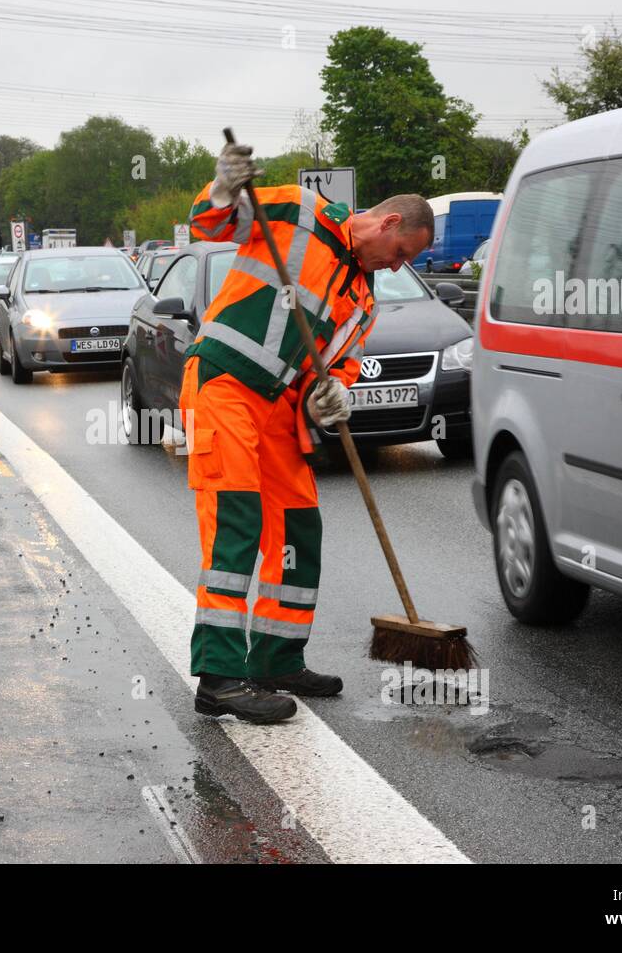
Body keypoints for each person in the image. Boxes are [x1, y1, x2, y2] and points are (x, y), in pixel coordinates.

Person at [180, 142, 434, 724]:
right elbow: (211, 221)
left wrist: (334, 396)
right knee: (236, 524)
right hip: (224, 386)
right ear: (388, 222)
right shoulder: (298, 212)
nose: (398, 267)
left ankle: (275, 658)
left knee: (299, 528)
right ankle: (219, 678)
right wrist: (225, 183)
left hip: (278, 416)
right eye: (400, 253)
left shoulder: (363, 299)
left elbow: (339, 367)